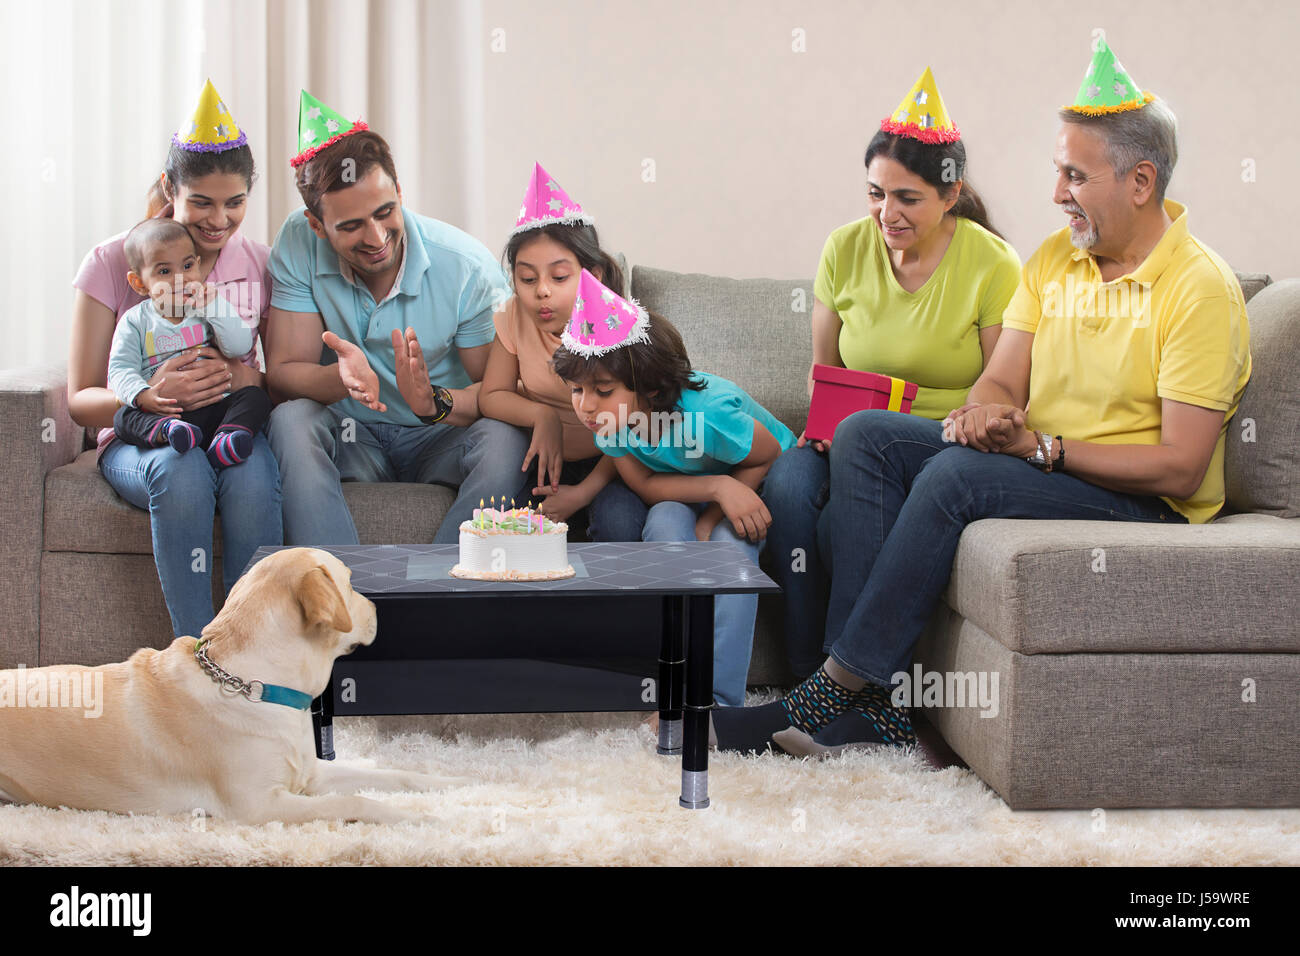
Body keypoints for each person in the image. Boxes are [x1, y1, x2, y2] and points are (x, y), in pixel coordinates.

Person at [713, 38, 1252, 754]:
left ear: (1141, 181)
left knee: (957, 476)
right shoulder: (1058, 258)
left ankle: (834, 692)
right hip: (1043, 458)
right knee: (867, 436)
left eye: (1074, 176)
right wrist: (985, 407)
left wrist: (1043, 447)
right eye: (1059, 172)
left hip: (1143, 496)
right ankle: (870, 703)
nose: (1057, 194)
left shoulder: (1199, 289)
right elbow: (1004, 373)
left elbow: (1182, 467)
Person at [765, 67, 1021, 678]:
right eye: (876, 194)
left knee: (840, 514)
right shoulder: (844, 248)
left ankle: (852, 684)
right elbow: (823, 367)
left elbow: (1004, 383)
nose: (887, 213)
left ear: (950, 195)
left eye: (907, 198)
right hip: (847, 430)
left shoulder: (993, 264)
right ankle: (810, 672)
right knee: (788, 489)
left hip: (939, 438)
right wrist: (824, 423)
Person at [68, 80, 282, 640]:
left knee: (253, 474)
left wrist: (237, 375)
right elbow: (80, 399)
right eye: (202, 202)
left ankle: (250, 647)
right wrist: (150, 393)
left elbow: (270, 378)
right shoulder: (115, 262)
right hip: (146, 438)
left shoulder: (257, 264)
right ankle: (199, 656)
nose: (218, 220)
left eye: (234, 203)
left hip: (222, 426)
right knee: (180, 471)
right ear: (170, 189)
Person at [265, 91, 528, 545]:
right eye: (349, 226)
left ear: (400, 193)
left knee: (506, 440)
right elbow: (284, 373)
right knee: (290, 421)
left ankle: (441, 592)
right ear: (315, 224)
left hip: (441, 436)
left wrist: (432, 399)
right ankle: (338, 602)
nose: (376, 237)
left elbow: (500, 392)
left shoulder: (464, 267)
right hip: (352, 437)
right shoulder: (297, 240)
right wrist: (341, 381)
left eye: (385, 212)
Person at [552, 270, 796, 707]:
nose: (586, 406)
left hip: (756, 476)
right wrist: (714, 490)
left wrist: (716, 510)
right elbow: (645, 484)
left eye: (602, 391)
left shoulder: (709, 415)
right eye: (576, 390)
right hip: (702, 485)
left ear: (650, 386)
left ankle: (718, 703)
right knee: (664, 526)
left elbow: (767, 453)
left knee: (730, 547)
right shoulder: (607, 419)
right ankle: (672, 689)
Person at [477, 162, 647, 539]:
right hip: (542, 461)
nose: (541, 291)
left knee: (619, 524)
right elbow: (491, 395)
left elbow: (637, 428)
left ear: (594, 275)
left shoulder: (621, 329)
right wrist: (542, 415)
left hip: (614, 464)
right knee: (501, 527)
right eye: (527, 278)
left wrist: (583, 493)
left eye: (558, 277)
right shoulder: (515, 317)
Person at [108, 218, 270, 467]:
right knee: (123, 418)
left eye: (186, 266)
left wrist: (215, 307)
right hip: (166, 413)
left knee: (254, 396)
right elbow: (120, 369)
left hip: (214, 406)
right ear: (139, 283)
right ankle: (169, 432)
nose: (180, 278)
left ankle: (227, 439)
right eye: (164, 271)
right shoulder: (136, 321)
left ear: (197, 265)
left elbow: (239, 347)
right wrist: (142, 395)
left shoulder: (206, 309)